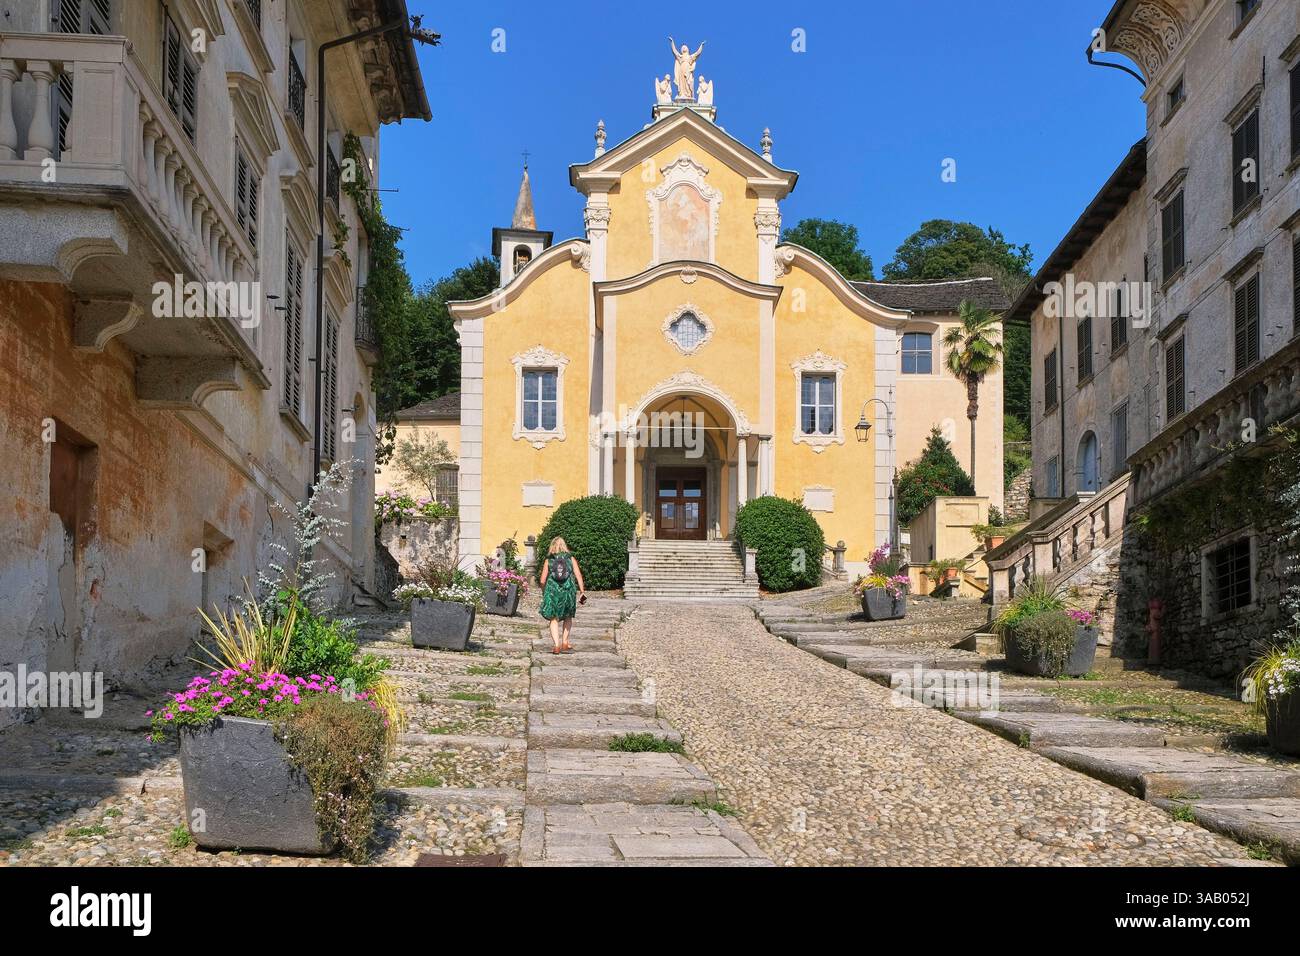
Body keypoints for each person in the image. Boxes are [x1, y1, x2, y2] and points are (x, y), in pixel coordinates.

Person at [539, 537, 586, 654]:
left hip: (552, 591)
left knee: (553, 618)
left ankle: (556, 645)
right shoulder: (570, 558)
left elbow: (542, 580)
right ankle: (565, 642)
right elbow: (578, 575)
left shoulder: (549, 560)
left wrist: (544, 591)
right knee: (568, 616)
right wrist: (582, 591)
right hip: (568, 590)